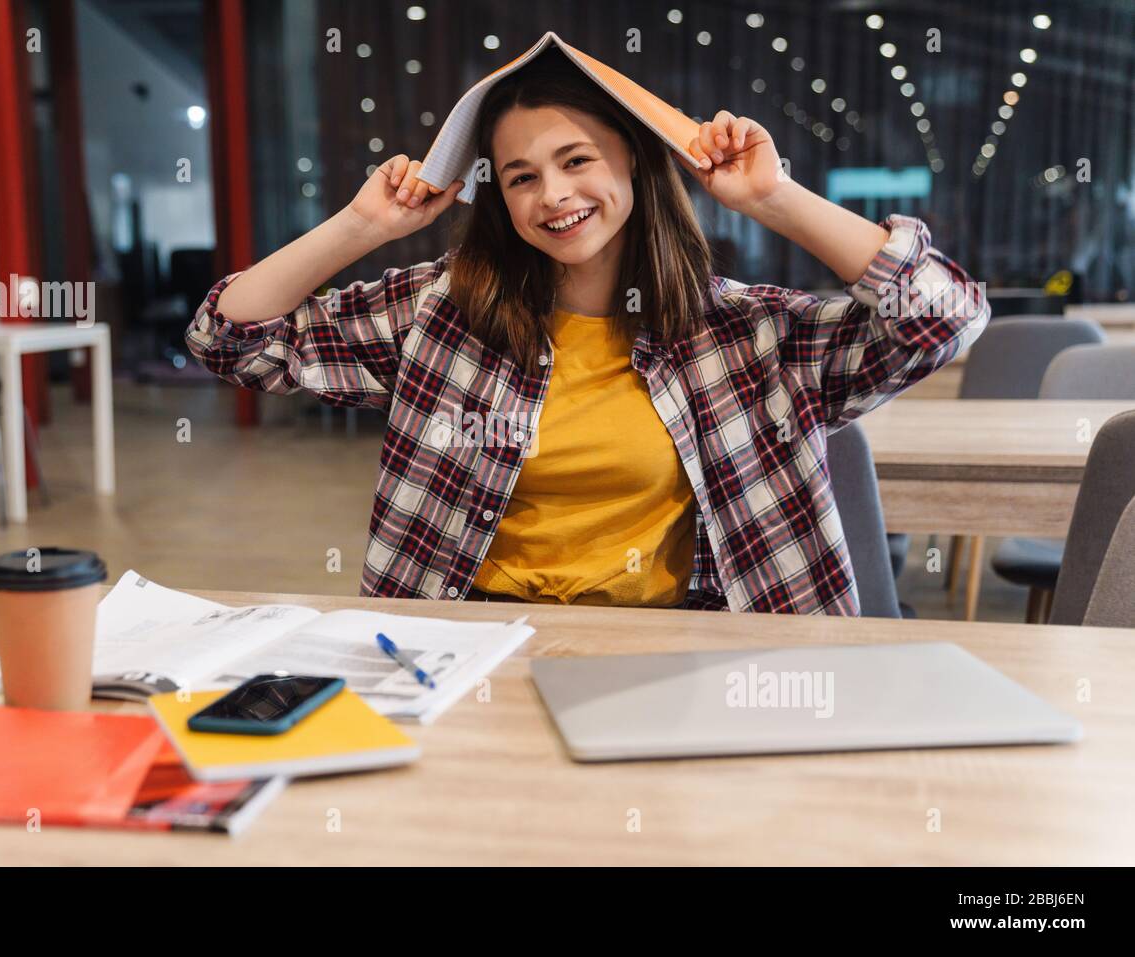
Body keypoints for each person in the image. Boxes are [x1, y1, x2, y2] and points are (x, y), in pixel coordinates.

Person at [187, 49, 988, 613]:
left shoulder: (744, 335)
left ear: (634, 162)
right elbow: (228, 339)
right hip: (469, 650)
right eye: (521, 177)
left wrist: (772, 198)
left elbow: (943, 318)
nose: (553, 195)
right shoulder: (443, 312)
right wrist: (363, 225)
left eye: (578, 161)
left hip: (680, 654)